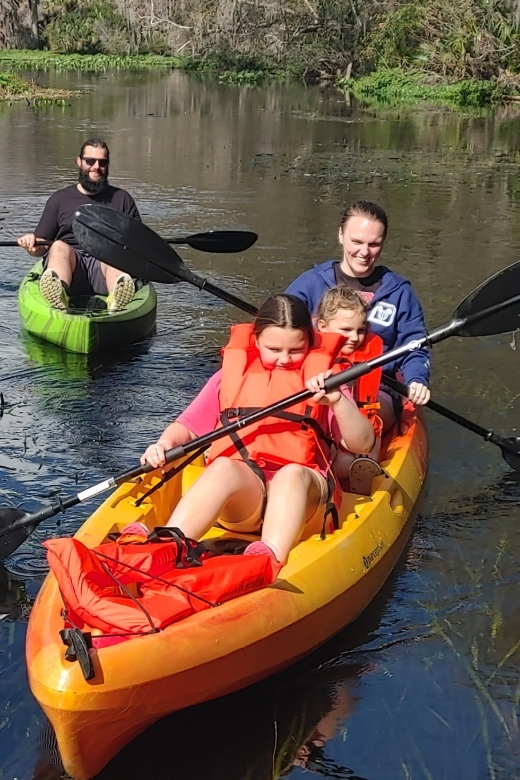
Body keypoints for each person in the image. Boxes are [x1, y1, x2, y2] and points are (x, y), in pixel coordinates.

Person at [132, 294, 375, 565]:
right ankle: (167, 547)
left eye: (296, 350)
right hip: (245, 502)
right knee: (223, 466)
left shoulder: (326, 380)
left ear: (309, 340)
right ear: (256, 340)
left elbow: (362, 444)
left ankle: (267, 560)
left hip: (306, 502)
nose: (284, 359)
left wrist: (338, 401)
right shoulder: (228, 377)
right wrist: (163, 445)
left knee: (291, 475)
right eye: (274, 349)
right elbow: (187, 427)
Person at [286, 200, 430, 428]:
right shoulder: (309, 284)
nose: (364, 252)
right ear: (341, 235)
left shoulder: (399, 292)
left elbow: (415, 346)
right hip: (314, 382)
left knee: (361, 417)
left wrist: (416, 380)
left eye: (374, 244)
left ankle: (361, 453)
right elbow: (279, 331)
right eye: (357, 241)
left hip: (375, 389)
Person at [17, 138, 139, 313]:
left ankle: (116, 298)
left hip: (105, 271)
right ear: (79, 162)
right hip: (71, 270)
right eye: (90, 161)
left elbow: (139, 247)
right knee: (58, 245)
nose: (96, 167)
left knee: (114, 249)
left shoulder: (122, 199)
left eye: (102, 162)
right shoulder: (59, 199)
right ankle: (59, 293)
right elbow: (41, 247)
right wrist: (30, 244)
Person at [316, 286, 384, 494]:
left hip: (358, 425)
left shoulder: (367, 352)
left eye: (361, 330)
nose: (355, 337)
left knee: (371, 437)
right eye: (346, 330)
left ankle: (363, 468)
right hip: (327, 431)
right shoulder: (308, 354)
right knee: (340, 460)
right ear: (322, 326)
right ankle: (343, 468)